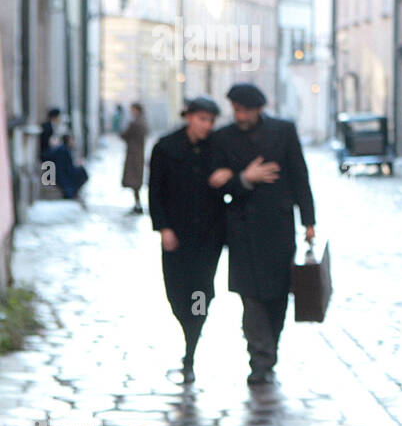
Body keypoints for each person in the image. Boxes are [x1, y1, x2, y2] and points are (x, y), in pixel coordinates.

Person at [207, 83, 316, 386]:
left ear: (258, 109)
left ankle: (270, 350)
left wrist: (309, 220)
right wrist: (244, 179)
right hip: (242, 229)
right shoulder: (223, 138)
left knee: (278, 297)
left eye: (244, 110)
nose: (239, 115)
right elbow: (216, 183)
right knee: (251, 299)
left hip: (279, 227)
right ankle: (260, 359)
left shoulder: (283, 131)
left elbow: (299, 175)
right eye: (236, 110)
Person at [148, 98, 226, 384]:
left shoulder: (216, 147)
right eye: (202, 119)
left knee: (201, 291)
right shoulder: (166, 147)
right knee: (177, 291)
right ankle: (188, 329)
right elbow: (155, 190)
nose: (207, 126)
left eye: (211, 121)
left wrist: (228, 174)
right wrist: (163, 228)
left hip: (209, 234)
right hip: (176, 236)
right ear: (190, 117)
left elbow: (230, 172)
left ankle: (191, 348)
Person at [121, 102, 148, 214]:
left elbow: (125, 135)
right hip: (137, 154)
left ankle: (138, 204)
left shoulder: (136, 123)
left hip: (134, 155)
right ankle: (137, 203)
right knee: (136, 182)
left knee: (135, 182)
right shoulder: (142, 122)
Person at [46, 133, 89, 201]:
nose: (74, 142)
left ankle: (73, 191)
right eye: (72, 140)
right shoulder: (63, 150)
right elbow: (66, 166)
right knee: (82, 173)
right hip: (61, 174)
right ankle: (72, 192)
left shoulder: (65, 149)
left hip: (62, 172)